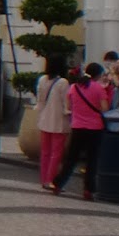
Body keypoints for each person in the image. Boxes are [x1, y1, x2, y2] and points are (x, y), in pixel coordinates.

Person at [51, 63, 112, 200]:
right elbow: (104, 108)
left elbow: (68, 106)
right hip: (95, 128)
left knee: (71, 158)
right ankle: (88, 190)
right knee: (92, 160)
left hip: (77, 126)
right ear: (97, 75)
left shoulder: (74, 87)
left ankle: (58, 183)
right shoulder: (99, 88)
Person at [34, 54, 70, 189]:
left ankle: (44, 179)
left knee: (45, 151)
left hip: (44, 119)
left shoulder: (42, 80)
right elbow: (66, 104)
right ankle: (51, 179)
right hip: (58, 121)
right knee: (56, 153)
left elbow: (39, 100)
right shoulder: (63, 83)